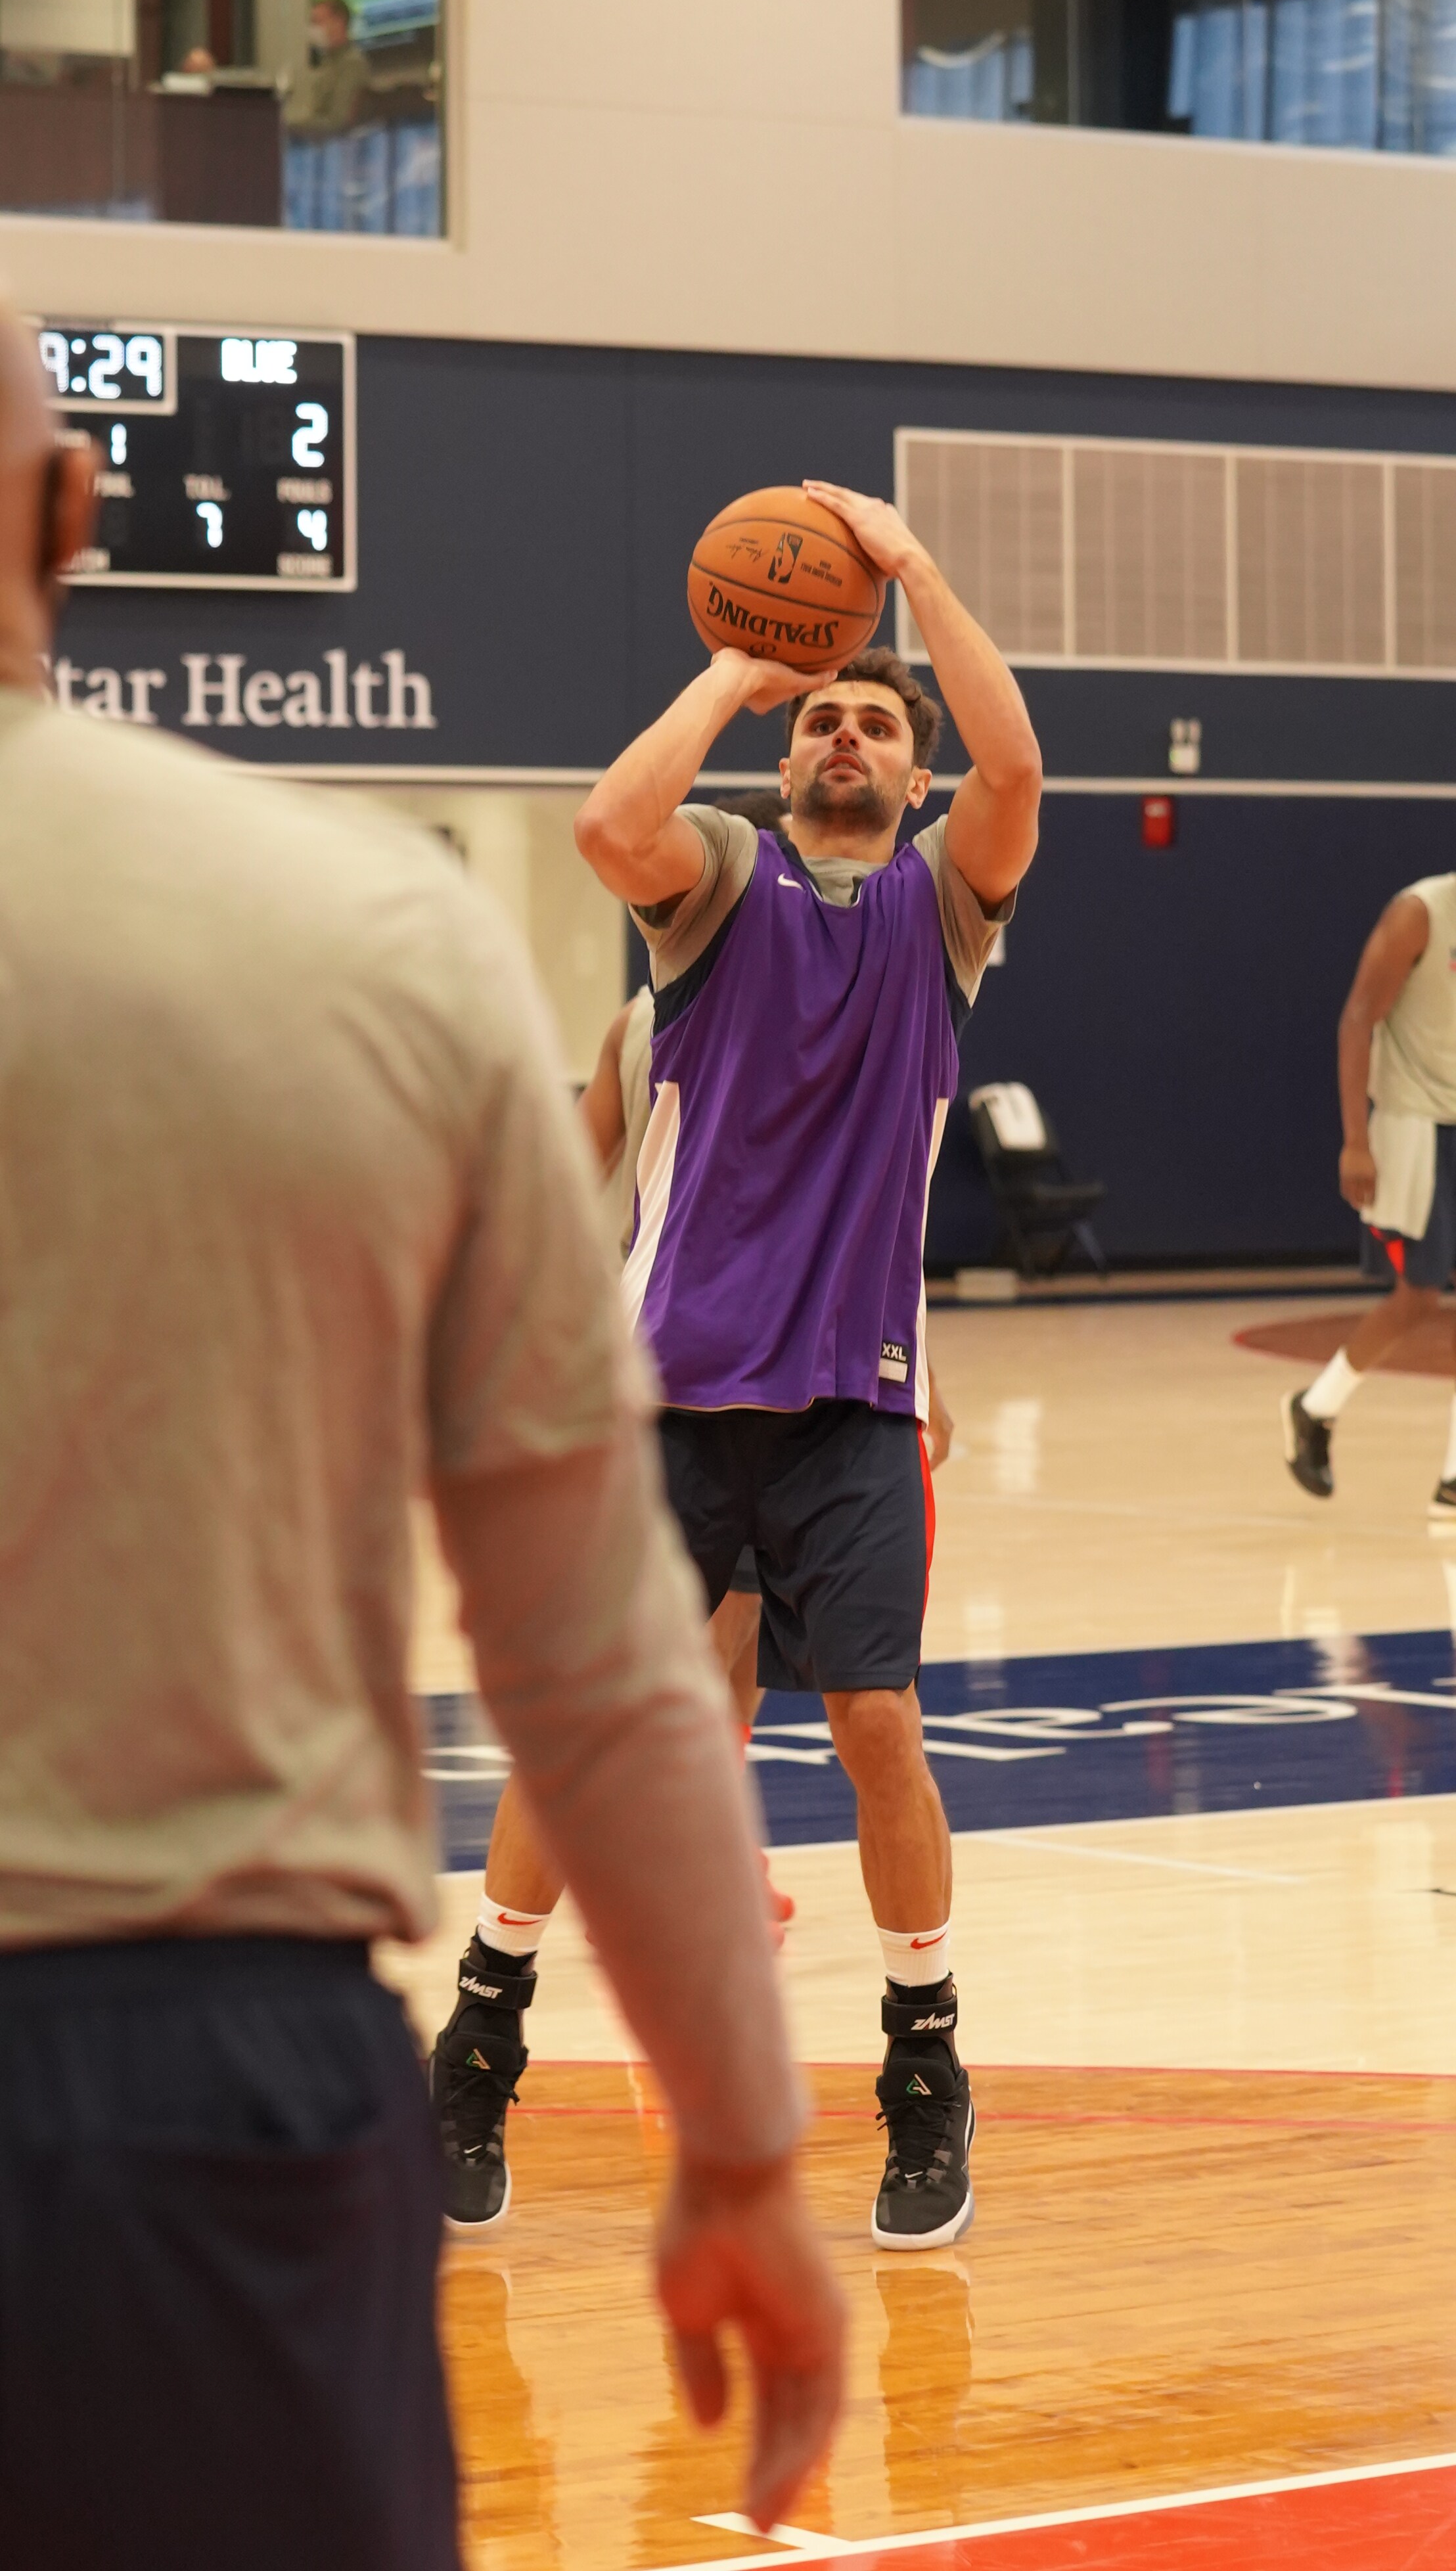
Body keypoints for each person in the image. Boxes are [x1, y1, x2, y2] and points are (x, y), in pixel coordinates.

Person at [0, 306, 842, 2569]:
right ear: (74, 515)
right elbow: (585, 1628)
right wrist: (743, 2147)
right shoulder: (370, 931)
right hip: (191, 2083)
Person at [432, 483, 1040, 2252]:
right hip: (666, 1405)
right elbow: (607, 824)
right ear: (791, 762)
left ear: (907, 778)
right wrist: (735, 668)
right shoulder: (715, 878)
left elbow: (1018, 776)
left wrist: (911, 576)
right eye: (827, 718)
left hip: (850, 1404)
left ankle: (923, 2068)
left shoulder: (942, 912)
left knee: (875, 1727)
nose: (848, 735)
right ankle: (478, 2041)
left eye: (877, 720)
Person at [1284, 874, 1456, 1516]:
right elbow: (1357, 1017)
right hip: (1414, 1120)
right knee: (1417, 1295)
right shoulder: (1419, 914)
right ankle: (1315, 1407)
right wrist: (1355, 1139)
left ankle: (1452, 1478)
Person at [283, 0, 371, 137]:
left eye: (318, 22)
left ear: (339, 22)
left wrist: (291, 127)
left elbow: (337, 121)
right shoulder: (327, 63)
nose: (313, 29)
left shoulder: (352, 65)